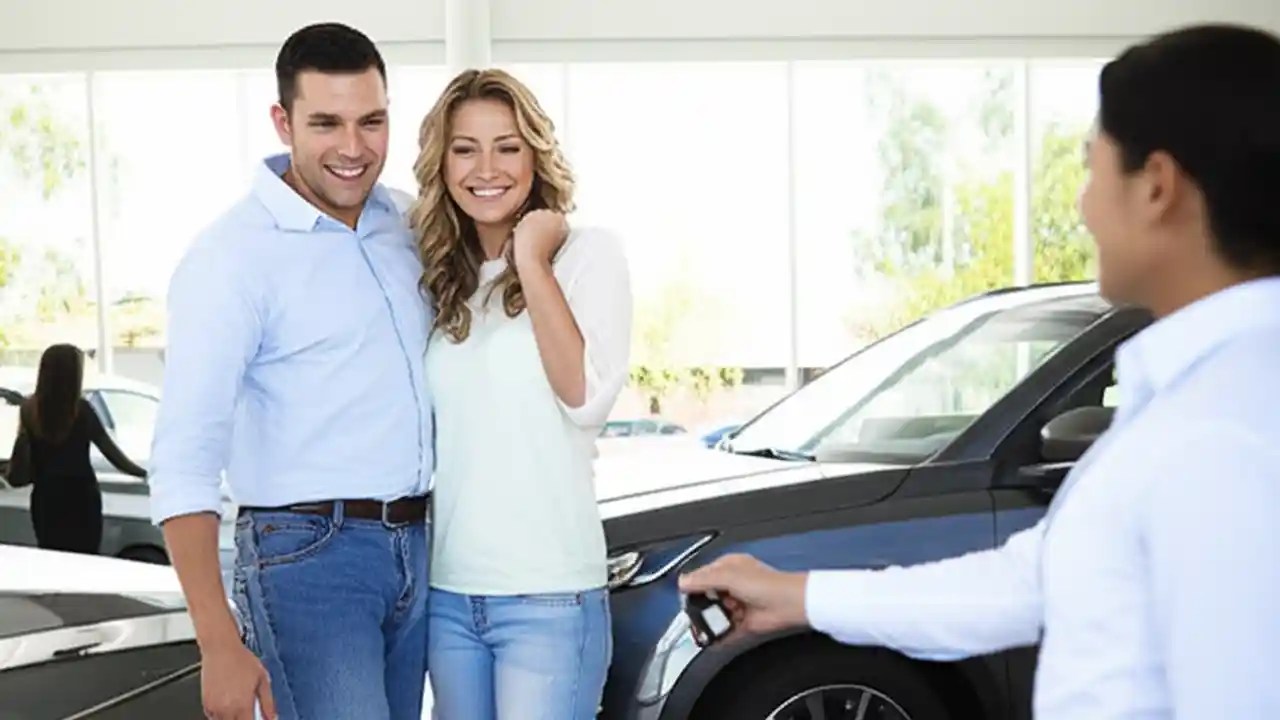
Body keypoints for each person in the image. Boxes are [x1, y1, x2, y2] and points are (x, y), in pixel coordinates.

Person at [679, 23, 1280, 720]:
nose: (1083, 205)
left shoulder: (1226, 432)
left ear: (1157, 187)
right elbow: (1034, 583)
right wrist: (796, 597)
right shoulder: (1205, 398)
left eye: (1093, 168)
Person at [148, 23, 433, 720]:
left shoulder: (404, 223)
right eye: (326, 123)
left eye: (372, 121)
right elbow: (183, 460)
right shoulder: (231, 257)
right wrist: (218, 642)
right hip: (309, 562)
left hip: (423, 549)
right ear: (283, 122)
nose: (354, 147)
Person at [411, 68, 632, 719]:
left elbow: (584, 398)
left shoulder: (589, 256)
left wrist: (531, 260)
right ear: (442, 161)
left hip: (550, 598)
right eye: (465, 147)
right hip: (450, 596)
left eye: (507, 146)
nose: (487, 167)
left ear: (536, 154)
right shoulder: (441, 277)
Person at [4, 344, 147, 554]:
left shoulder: (29, 410)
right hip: (81, 497)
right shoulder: (81, 411)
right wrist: (144, 473)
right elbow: (113, 454)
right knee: (86, 559)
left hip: (47, 499)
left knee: (53, 557)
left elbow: (24, 457)